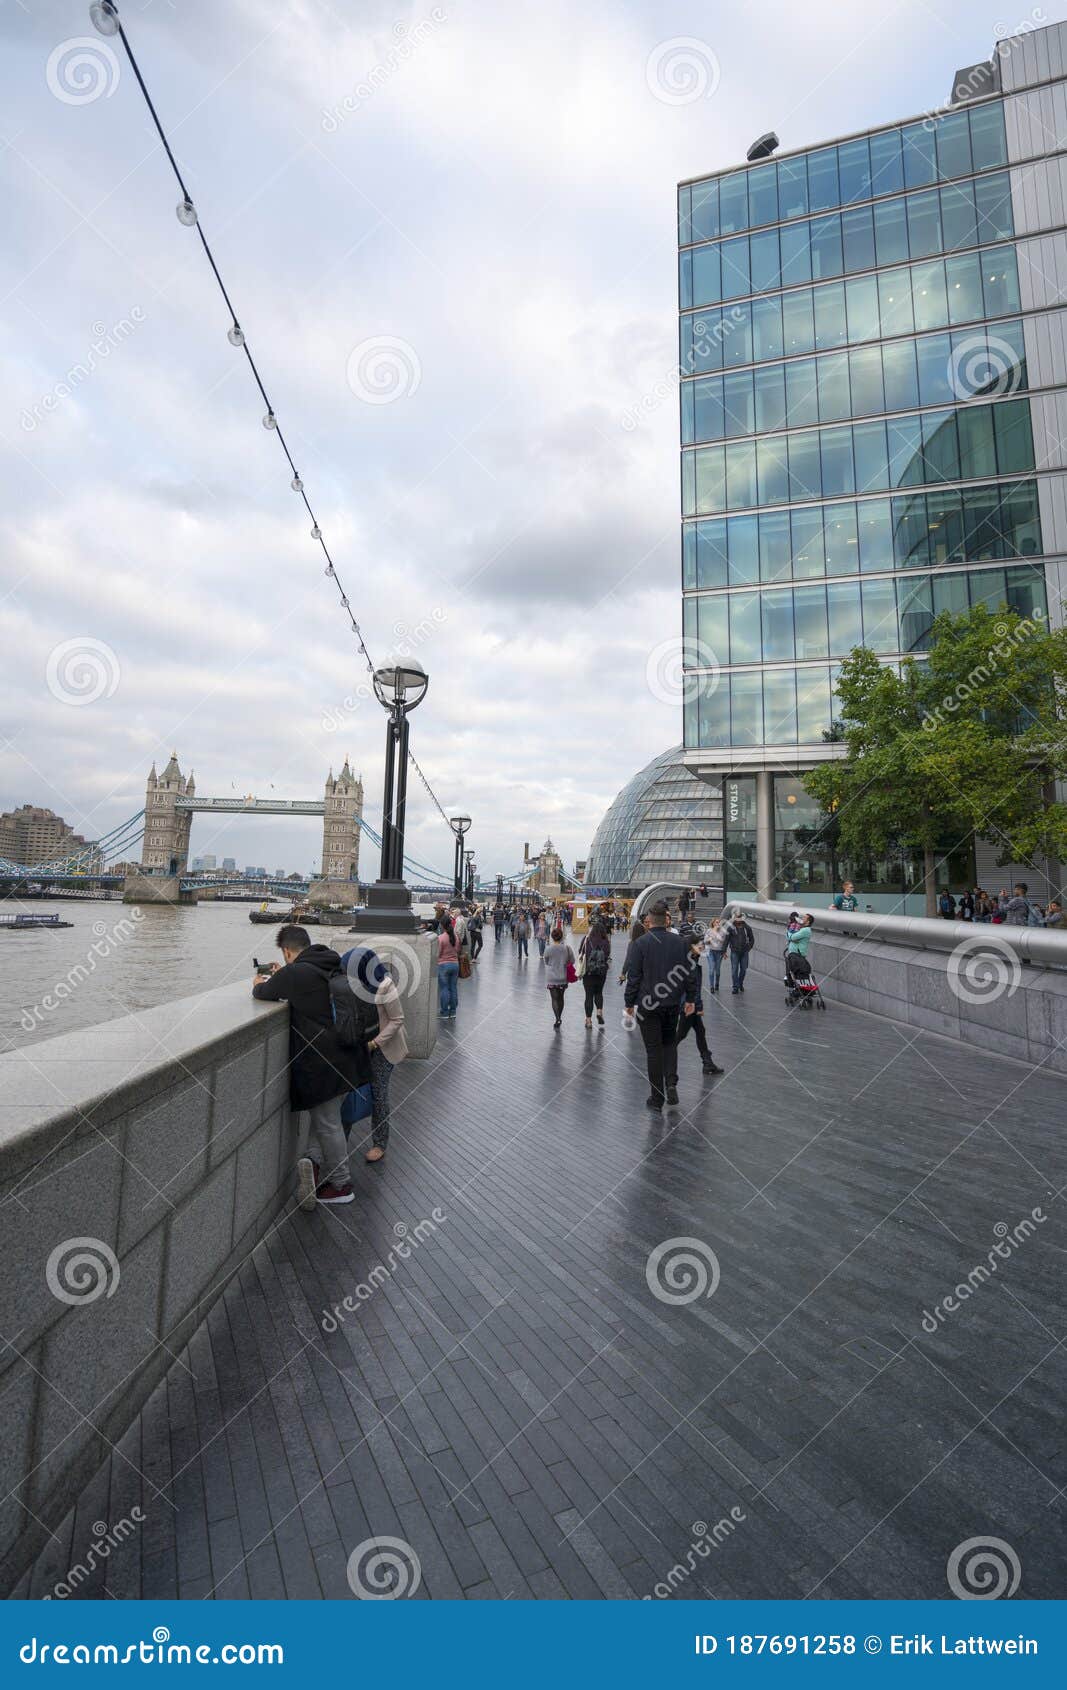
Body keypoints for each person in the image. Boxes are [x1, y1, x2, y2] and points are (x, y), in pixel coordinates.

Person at [252, 924, 371, 1208]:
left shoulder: (295, 973)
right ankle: (313, 1163)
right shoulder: (331, 962)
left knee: (328, 1124)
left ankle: (342, 1185)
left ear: (287, 951)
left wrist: (259, 982)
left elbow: (264, 993)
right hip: (350, 1056)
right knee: (325, 1120)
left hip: (324, 1063)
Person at [623, 901, 696, 1111]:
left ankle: (657, 1099)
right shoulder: (680, 943)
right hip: (672, 1003)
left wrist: (629, 1003)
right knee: (669, 1043)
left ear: (649, 922)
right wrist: (690, 999)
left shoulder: (640, 944)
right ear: (666, 920)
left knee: (653, 1051)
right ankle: (671, 1082)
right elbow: (689, 973)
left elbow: (634, 977)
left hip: (648, 1005)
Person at [339, 944, 408, 1164]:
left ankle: (379, 1143)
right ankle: (341, 1141)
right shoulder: (352, 984)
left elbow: (397, 1020)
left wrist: (375, 1044)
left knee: (378, 1094)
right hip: (360, 1045)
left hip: (383, 1048)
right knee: (348, 1090)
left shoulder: (385, 986)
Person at [674, 927, 725, 1076]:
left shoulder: (690, 960)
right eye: (698, 945)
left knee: (700, 1031)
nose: (701, 947)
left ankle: (707, 1062)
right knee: (680, 1035)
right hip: (689, 1006)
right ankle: (664, 1056)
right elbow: (692, 989)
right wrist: (699, 1006)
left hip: (688, 1005)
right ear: (691, 947)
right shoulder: (690, 964)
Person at [579, 919, 611, 1028]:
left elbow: (581, 952)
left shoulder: (586, 939)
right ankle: (599, 1012)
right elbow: (607, 955)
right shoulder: (606, 941)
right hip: (601, 972)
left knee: (588, 996)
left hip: (588, 972)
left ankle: (588, 1021)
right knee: (599, 993)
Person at [544, 924, 575, 1028]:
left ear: (552, 937)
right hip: (563, 976)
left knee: (554, 998)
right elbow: (572, 961)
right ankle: (559, 1016)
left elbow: (547, 962)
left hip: (552, 977)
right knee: (561, 998)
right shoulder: (567, 948)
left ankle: (557, 1018)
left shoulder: (548, 949)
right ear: (562, 936)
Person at [725, 906, 755, 994]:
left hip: (744, 952)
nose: (738, 920)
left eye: (739, 918)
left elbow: (752, 939)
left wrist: (748, 947)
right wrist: (724, 951)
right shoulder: (730, 928)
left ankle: (740, 983)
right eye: (736, 918)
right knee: (734, 970)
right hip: (734, 952)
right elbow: (726, 940)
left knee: (743, 969)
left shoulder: (747, 927)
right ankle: (735, 987)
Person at [437, 911, 461, 1018]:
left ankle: (444, 1012)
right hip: (455, 965)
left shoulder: (441, 938)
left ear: (442, 925)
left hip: (443, 965)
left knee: (444, 988)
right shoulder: (455, 936)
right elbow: (458, 950)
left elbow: (438, 953)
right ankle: (453, 1011)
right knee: (453, 988)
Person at [703, 915, 729, 993]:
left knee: (717, 970)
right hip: (710, 951)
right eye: (716, 922)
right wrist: (710, 939)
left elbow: (724, 942)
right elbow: (705, 942)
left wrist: (724, 952)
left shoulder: (723, 932)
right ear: (713, 923)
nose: (718, 924)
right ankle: (711, 986)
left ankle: (717, 983)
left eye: (719, 922)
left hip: (719, 952)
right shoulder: (709, 931)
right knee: (711, 969)